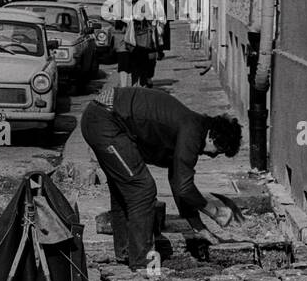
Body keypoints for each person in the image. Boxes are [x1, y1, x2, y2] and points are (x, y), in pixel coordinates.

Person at [81, 85, 242, 269]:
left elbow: (179, 184)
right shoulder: (192, 132)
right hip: (105, 121)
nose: (213, 156)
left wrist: (199, 227)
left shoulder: (191, 129)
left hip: (102, 118)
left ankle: (126, 252)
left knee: (125, 188)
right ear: (212, 138)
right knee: (142, 189)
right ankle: (143, 265)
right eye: (218, 152)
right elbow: (185, 188)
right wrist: (214, 212)